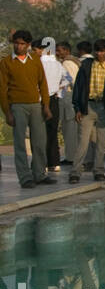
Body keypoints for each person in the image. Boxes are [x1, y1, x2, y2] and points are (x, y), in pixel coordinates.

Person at [1, 30, 54, 187]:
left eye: (22, 44)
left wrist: (46, 105)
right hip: (17, 106)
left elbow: (43, 83)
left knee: (39, 141)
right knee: (20, 144)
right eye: (16, 43)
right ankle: (25, 177)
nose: (19, 46)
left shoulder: (35, 60)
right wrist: (7, 113)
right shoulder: (6, 63)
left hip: (35, 105)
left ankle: (39, 174)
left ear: (28, 45)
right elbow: (2, 90)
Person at [69, 39, 105, 183]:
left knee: (102, 143)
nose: (100, 54)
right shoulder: (87, 65)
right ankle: (75, 171)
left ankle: (99, 170)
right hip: (88, 106)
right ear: (94, 52)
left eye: (103, 51)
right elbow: (78, 87)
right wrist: (77, 108)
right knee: (83, 142)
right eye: (97, 51)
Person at [35, 38, 63, 173]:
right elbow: (68, 79)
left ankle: (42, 163)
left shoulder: (38, 63)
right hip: (54, 99)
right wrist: (57, 88)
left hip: (40, 100)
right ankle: (54, 162)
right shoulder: (58, 64)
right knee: (52, 132)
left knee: (40, 133)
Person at [56, 42, 79, 167]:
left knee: (70, 130)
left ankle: (71, 157)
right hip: (69, 100)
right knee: (69, 130)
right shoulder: (71, 62)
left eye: (59, 50)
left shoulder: (67, 64)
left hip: (69, 101)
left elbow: (73, 82)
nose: (57, 53)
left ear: (66, 51)